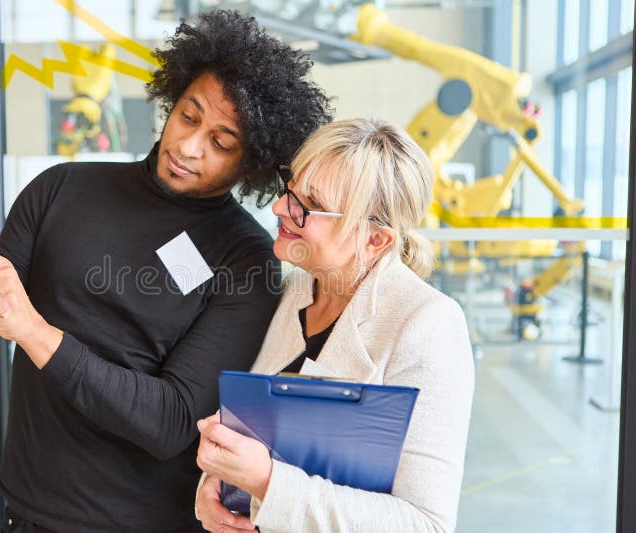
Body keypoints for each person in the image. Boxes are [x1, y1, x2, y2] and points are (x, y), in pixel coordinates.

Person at [0, 10, 330, 533]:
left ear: (251, 163)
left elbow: (170, 422)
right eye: (189, 116)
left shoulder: (246, 259)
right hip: (25, 515)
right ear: (171, 100)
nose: (189, 147)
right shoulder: (60, 190)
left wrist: (32, 329)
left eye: (222, 141)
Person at [194, 118, 475, 533]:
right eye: (290, 188)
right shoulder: (293, 290)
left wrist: (266, 482)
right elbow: (259, 432)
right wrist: (215, 484)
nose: (278, 208)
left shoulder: (428, 325)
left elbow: (425, 523)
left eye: (307, 205)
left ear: (375, 239)